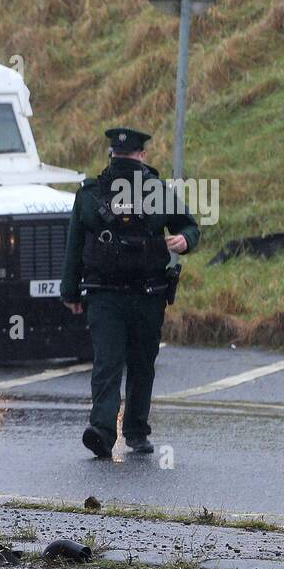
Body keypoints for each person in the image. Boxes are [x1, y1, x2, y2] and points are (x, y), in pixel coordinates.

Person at [61, 127, 200, 458]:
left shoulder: (95, 192)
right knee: (136, 364)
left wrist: (70, 292)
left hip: (121, 295)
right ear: (142, 155)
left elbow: (74, 246)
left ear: (116, 155)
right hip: (131, 295)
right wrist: (186, 239)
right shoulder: (146, 191)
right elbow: (190, 226)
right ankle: (122, 431)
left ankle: (115, 431)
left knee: (115, 363)